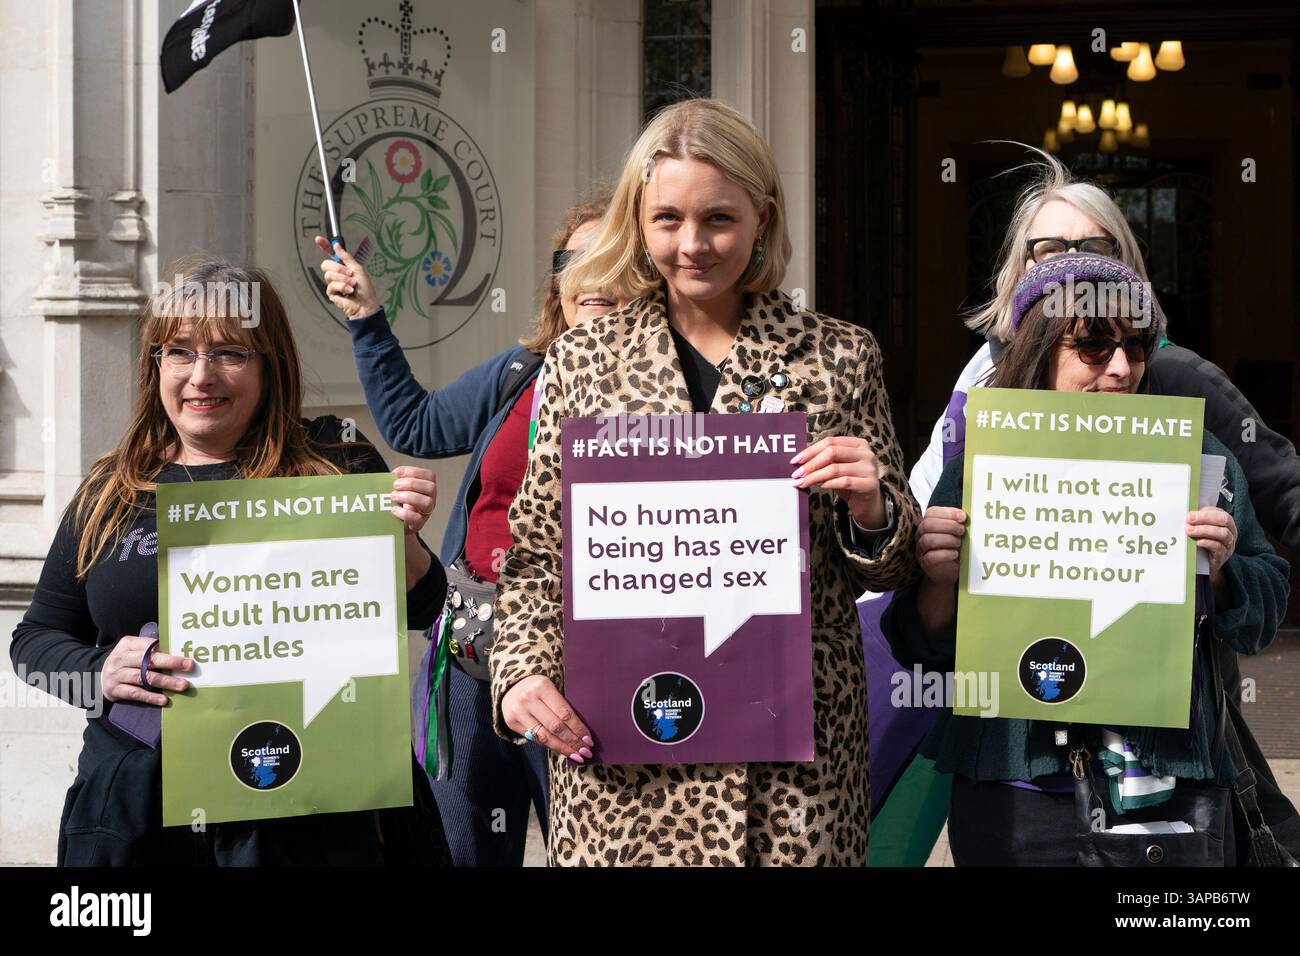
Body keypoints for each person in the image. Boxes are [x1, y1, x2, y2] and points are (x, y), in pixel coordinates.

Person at [489, 98, 922, 866]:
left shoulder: (837, 356)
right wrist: (519, 673)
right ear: (638, 219)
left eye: (718, 219)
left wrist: (873, 506)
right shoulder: (582, 361)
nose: (691, 245)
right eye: (667, 220)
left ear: (763, 216)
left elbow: (890, 564)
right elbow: (533, 557)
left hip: (793, 767)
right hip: (623, 761)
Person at [10, 257, 450, 866]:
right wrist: (99, 673)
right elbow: (35, 639)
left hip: (315, 807)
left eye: (229, 353)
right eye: (180, 352)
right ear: (154, 365)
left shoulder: (334, 464)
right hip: (143, 809)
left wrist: (404, 549)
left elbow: (428, 610)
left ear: (271, 365)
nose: (201, 376)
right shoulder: (113, 488)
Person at [882, 254, 1291, 866]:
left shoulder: (1198, 457)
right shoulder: (983, 463)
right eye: (1095, 347)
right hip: (1017, 789)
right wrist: (938, 581)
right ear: (1041, 350)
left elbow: (1264, 607)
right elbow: (919, 646)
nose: (1122, 367)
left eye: (1137, 345)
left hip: (1170, 792)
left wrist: (1226, 570)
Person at [312, 195, 628, 866]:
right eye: (577, 262)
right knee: (461, 854)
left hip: (584, 664)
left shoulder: (675, 396)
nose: (595, 280)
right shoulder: (523, 371)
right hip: (472, 648)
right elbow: (417, 427)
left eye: (616, 259)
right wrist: (368, 317)